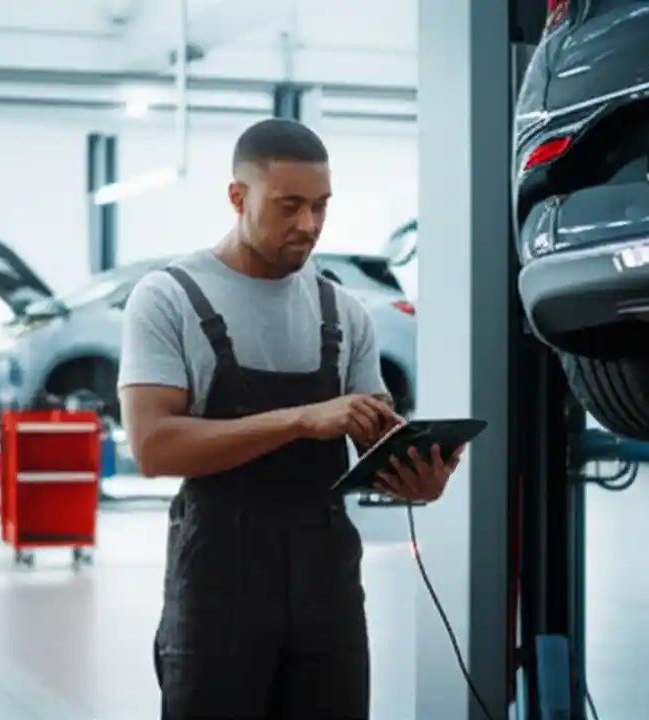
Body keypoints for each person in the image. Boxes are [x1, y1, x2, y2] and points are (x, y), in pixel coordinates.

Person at [118, 118, 462, 719]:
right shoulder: (168, 297)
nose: (309, 225)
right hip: (219, 576)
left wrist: (417, 475)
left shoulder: (344, 312)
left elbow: (372, 444)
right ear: (237, 197)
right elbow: (154, 446)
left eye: (321, 206)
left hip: (325, 578)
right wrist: (301, 420)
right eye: (289, 206)